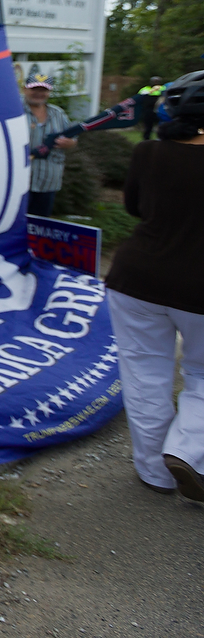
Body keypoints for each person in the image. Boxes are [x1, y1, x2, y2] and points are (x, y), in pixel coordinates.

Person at [105, 70, 204, 501]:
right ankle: (187, 451)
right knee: (202, 375)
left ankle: (154, 473)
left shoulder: (147, 152)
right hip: (198, 289)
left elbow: (134, 206)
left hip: (135, 279)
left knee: (145, 375)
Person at [22, 74, 76, 216]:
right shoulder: (15, 111)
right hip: (20, 180)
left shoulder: (58, 113)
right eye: (34, 89)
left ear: (49, 92)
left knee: (41, 225)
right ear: (25, 89)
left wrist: (69, 143)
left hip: (49, 180)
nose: (39, 94)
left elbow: (73, 139)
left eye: (43, 90)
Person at [136, 76, 165, 140]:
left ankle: (161, 140)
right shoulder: (145, 89)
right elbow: (139, 98)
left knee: (161, 127)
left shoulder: (163, 88)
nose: (155, 83)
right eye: (154, 81)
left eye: (157, 81)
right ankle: (146, 140)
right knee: (148, 127)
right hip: (148, 110)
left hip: (159, 110)